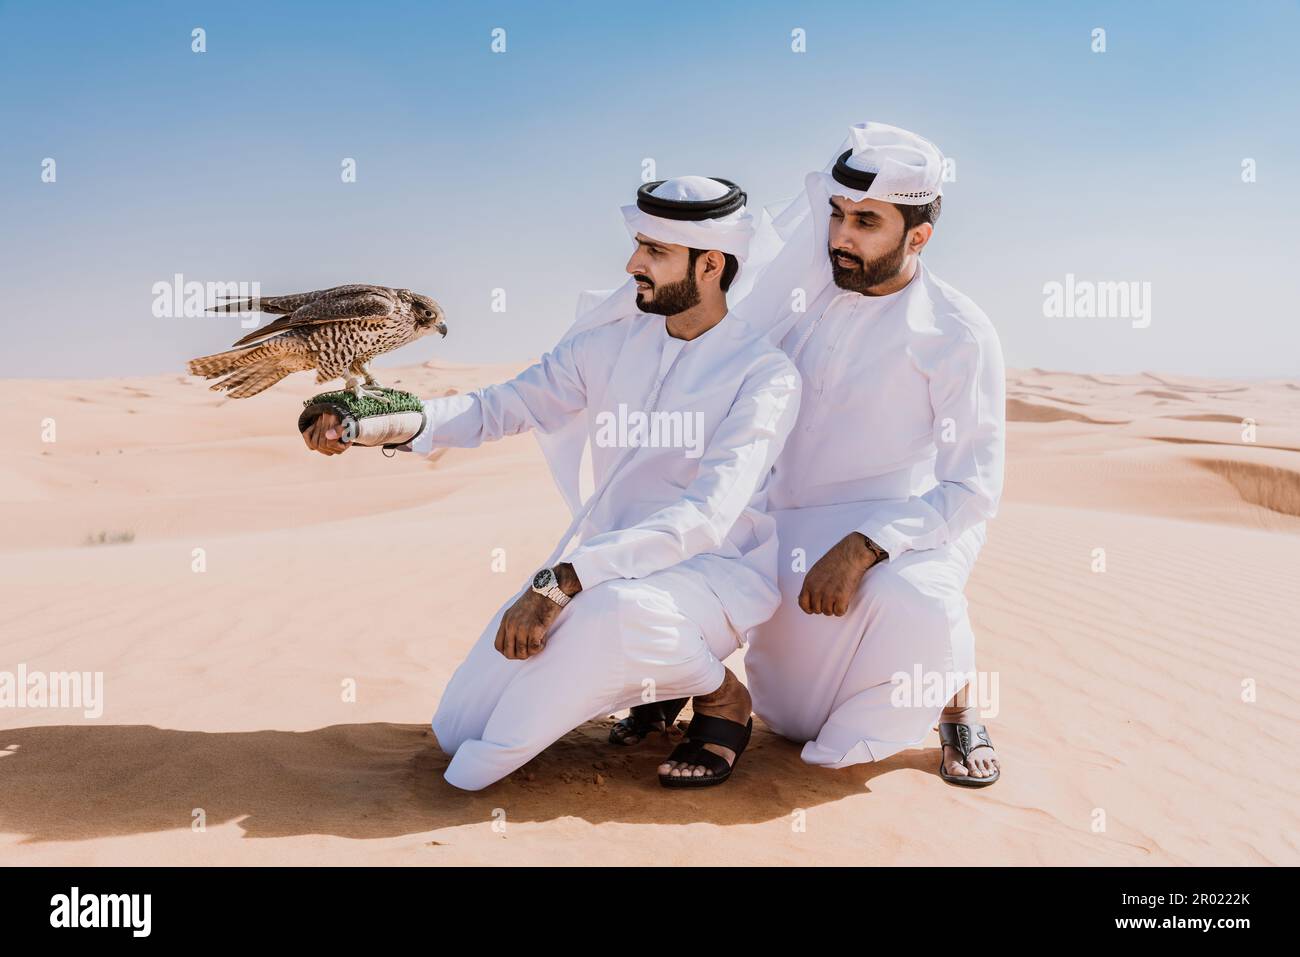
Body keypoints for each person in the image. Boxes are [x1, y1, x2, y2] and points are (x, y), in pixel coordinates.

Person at [303, 176, 801, 790]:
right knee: (461, 730)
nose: (632, 264)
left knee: (617, 617)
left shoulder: (764, 374)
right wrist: (380, 421)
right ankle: (653, 685)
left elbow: (705, 517)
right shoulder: (608, 346)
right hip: (597, 570)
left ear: (712, 264)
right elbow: (499, 407)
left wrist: (562, 581)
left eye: (654, 252)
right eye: (639, 246)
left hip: (709, 573)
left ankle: (722, 698)